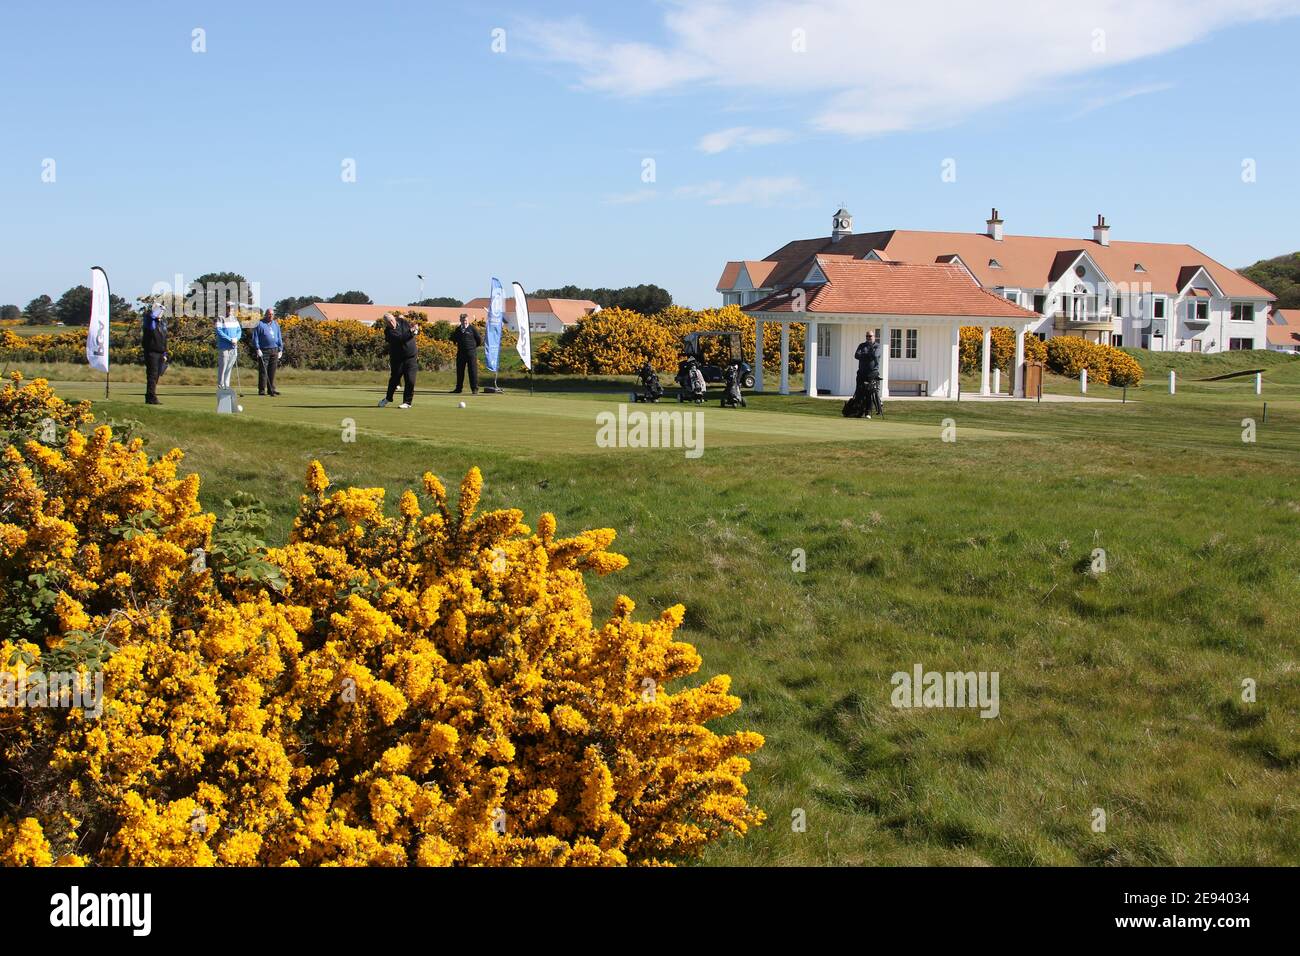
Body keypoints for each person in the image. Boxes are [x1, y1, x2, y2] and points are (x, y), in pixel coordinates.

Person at [379, 311, 419, 408]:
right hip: (398, 359)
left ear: (394, 318)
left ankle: (407, 402)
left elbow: (412, 330)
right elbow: (401, 338)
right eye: (389, 322)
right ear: (386, 323)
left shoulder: (402, 321)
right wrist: (411, 332)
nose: (391, 323)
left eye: (392, 320)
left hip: (411, 357)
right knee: (394, 380)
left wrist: (416, 330)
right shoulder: (388, 332)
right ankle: (388, 398)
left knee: (410, 380)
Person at [141, 302, 168, 405]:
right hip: (151, 352)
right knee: (152, 375)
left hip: (161, 352)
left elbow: (164, 339)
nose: (162, 313)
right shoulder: (150, 320)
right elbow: (151, 318)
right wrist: (156, 310)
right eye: (160, 310)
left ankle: (150, 395)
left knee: (156, 375)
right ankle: (151, 397)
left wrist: (165, 353)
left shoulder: (162, 323)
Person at [252, 308, 283, 396]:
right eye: (269, 314)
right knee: (263, 371)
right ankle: (262, 390)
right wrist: (257, 349)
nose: (271, 316)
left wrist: (280, 349)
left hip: (274, 349)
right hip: (264, 350)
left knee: (272, 371)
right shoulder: (259, 324)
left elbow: (279, 337)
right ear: (265, 314)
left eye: (272, 314)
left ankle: (271, 389)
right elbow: (255, 337)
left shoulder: (275, 324)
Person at [451, 312, 482, 394]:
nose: (464, 322)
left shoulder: (472, 329)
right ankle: (458, 389)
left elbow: (479, 340)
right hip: (461, 353)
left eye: (465, 320)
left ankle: (474, 389)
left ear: (468, 320)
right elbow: (453, 338)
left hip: (471, 353)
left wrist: (473, 347)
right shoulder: (458, 329)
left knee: (472, 371)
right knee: (460, 371)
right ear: (460, 320)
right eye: (462, 320)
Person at [854, 332, 883, 418]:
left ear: (874, 337)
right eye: (867, 336)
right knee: (859, 391)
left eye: (870, 336)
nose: (868, 337)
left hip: (872, 373)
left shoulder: (877, 346)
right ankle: (858, 411)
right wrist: (868, 355)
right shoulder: (862, 345)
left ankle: (868, 412)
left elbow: (875, 355)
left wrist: (863, 355)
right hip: (861, 372)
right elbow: (856, 355)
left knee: (869, 393)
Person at [215, 303, 243, 390]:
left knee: (230, 366)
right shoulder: (220, 318)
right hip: (224, 346)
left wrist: (236, 339)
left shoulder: (234, 319)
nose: (230, 309)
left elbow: (239, 331)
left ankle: (226, 385)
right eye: (228, 308)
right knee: (223, 365)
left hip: (233, 346)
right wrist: (230, 339)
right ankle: (221, 385)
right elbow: (219, 332)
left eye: (231, 308)